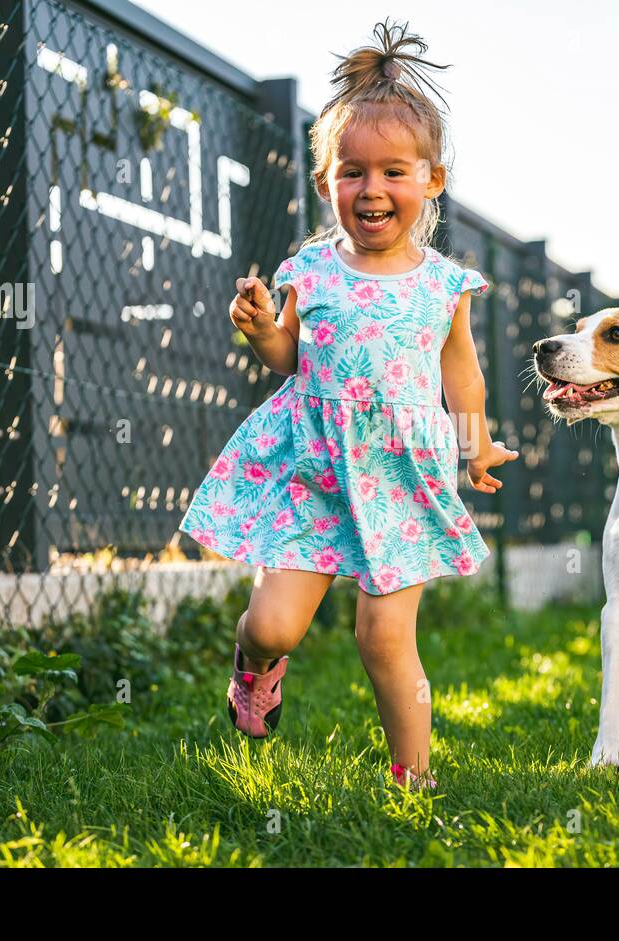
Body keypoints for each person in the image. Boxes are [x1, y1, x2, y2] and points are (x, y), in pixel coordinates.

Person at [178, 19, 518, 791]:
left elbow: (461, 376)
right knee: (272, 623)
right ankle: (254, 667)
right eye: (352, 172)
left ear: (431, 180)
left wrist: (479, 443)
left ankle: (414, 776)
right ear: (328, 179)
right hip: (314, 465)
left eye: (394, 172)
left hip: (401, 473)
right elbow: (289, 357)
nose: (371, 190)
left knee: (384, 637)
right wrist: (265, 327)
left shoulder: (444, 285)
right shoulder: (312, 269)